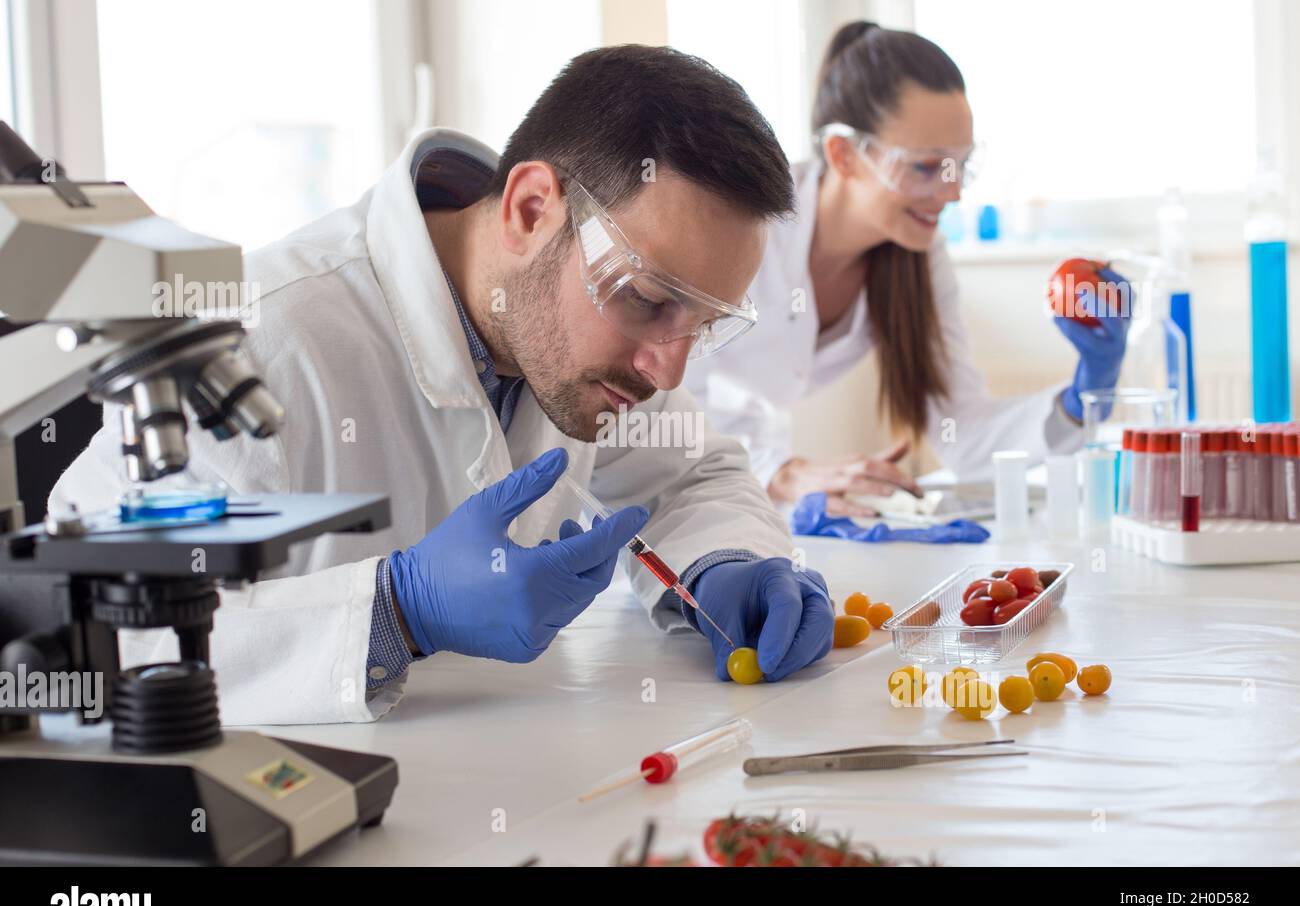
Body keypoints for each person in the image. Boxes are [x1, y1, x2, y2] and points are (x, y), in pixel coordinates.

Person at [52, 46, 835, 724]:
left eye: (702, 325)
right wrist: (394, 611)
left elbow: (694, 473)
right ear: (531, 210)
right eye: (648, 300)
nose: (669, 368)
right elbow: (95, 633)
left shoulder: (595, 339)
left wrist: (722, 563)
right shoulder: (258, 340)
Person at [684, 22, 1131, 517]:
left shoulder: (917, 257)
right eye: (926, 167)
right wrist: (780, 472)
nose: (954, 192)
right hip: (655, 485)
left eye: (962, 165)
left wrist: (1084, 393)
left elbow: (963, 431)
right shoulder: (748, 223)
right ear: (844, 154)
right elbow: (667, 396)